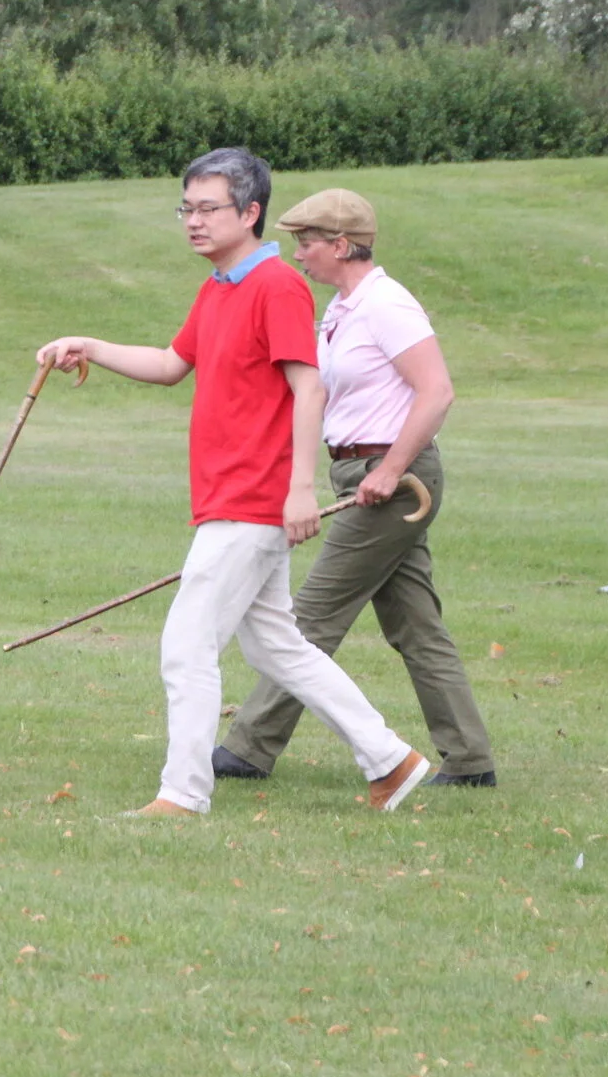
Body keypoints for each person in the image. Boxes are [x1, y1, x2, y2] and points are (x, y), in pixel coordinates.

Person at [35, 148, 430, 818]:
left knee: (186, 645)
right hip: (226, 496)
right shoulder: (218, 287)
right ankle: (390, 759)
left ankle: (183, 794)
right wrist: (88, 345)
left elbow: (309, 388)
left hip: (253, 499)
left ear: (250, 213)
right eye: (186, 208)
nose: (193, 220)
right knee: (277, 647)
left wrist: (300, 488)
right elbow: (170, 364)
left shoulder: (277, 285)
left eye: (208, 208)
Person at [212, 189, 496, 788]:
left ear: (341, 246)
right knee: (415, 625)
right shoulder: (344, 309)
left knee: (312, 615)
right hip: (360, 473)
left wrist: (388, 471)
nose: (298, 254)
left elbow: (437, 392)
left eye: (307, 243)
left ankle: (248, 748)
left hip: (396, 479)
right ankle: (470, 761)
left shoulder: (387, 305)